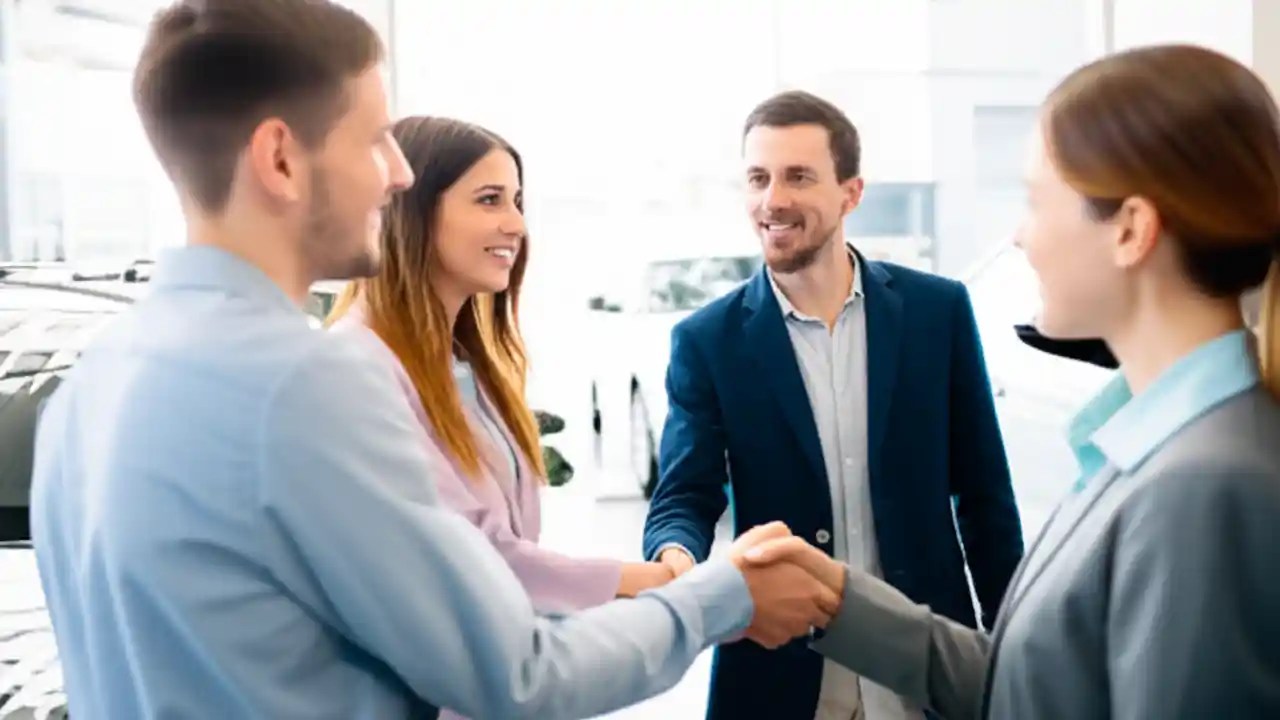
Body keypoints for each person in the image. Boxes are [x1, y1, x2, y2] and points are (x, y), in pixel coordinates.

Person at [26, 2, 840, 718]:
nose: (399, 172)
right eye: (374, 138)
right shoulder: (304, 385)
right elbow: (518, 673)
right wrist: (719, 592)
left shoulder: (90, 386)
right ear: (280, 158)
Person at [744, 44, 1280, 719]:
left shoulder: (1205, 488)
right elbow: (1037, 685)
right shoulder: (1149, 451)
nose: (1020, 238)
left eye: (1035, 201)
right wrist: (839, 602)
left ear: (1131, 230)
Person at [641, 89, 1026, 720]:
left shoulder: (938, 313)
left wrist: (1013, 654)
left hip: (923, 672)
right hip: (781, 678)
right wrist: (676, 561)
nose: (774, 201)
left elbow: (985, 497)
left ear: (851, 193)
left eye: (798, 177)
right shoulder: (708, 342)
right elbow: (685, 494)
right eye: (758, 179)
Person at [325, 117, 672, 617]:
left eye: (517, 201)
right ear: (412, 209)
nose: (516, 225)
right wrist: (657, 583)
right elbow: (472, 558)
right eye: (489, 200)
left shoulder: (463, 365)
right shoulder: (356, 367)